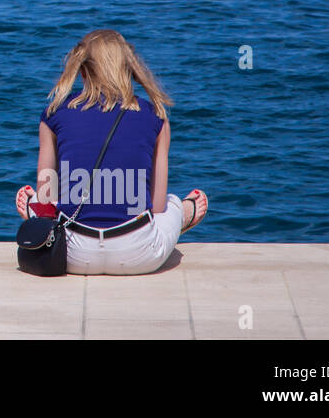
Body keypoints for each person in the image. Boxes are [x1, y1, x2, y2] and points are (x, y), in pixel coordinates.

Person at [15, 29, 208, 275]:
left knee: (42, 203)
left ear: (82, 70)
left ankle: (30, 208)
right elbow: (156, 205)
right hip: (138, 255)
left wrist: (40, 207)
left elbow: (46, 196)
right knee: (171, 203)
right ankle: (184, 213)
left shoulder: (54, 114)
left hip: (71, 255)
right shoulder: (156, 117)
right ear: (129, 69)